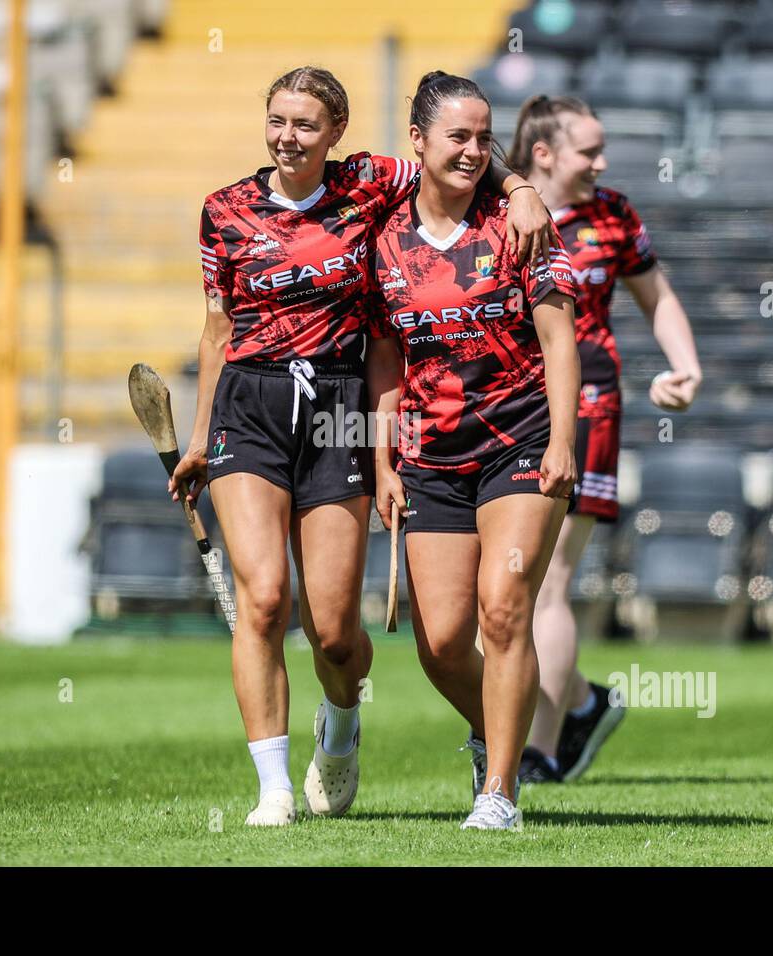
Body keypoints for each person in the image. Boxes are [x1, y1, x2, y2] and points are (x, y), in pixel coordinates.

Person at [170, 66, 560, 826]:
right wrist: (197, 436)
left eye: (306, 124)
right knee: (262, 599)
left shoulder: (370, 182)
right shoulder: (223, 212)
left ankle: (342, 721)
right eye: (278, 120)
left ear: (336, 132)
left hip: (339, 411)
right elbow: (217, 330)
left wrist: (520, 190)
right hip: (248, 408)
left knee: (338, 632)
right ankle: (274, 789)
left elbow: (468, 158)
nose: (288, 136)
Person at [370, 71, 581, 830]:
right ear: (418, 141)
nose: (472, 151)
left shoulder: (520, 223)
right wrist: (383, 459)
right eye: (457, 136)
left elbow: (560, 341)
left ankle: (500, 793)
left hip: (521, 442)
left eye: (483, 138)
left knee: (504, 608)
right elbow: (387, 358)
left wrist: (563, 441)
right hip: (431, 458)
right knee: (441, 642)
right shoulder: (384, 239)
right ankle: (494, 730)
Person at [506, 95, 702, 784]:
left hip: (587, 402)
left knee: (547, 583)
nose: (602, 162)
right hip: (498, 406)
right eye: (589, 150)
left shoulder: (613, 214)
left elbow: (658, 296)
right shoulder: (494, 210)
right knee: (498, 591)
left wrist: (685, 364)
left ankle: (541, 752)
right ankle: (585, 702)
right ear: (543, 154)